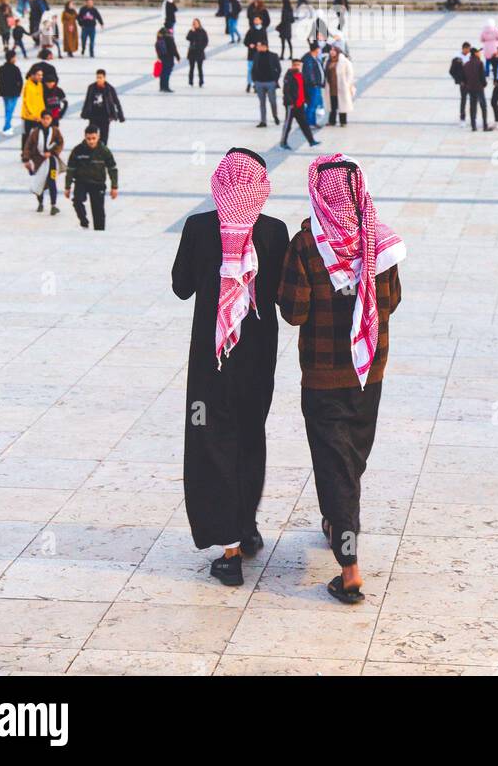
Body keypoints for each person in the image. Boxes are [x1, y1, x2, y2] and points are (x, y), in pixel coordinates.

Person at [279, 156, 404, 604]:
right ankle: (336, 521)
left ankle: (349, 566)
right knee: (351, 456)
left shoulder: (306, 244)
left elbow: (293, 313)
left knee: (334, 462)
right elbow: (390, 302)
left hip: (323, 374)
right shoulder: (378, 240)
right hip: (370, 370)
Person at [172, 148, 289, 586]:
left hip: (211, 360)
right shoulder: (274, 232)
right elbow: (282, 294)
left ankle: (230, 548)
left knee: (211, 443)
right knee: (249, 436)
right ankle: (248, 525)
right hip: (258, 360)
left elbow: (181, 287)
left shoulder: (200, 228)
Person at [65, 124, 119, 231]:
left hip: (98, 183)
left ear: (98, 137)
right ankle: (84, 221)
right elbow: (71, 169)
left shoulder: (104, 151)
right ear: (85, 137)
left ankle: (99, 232)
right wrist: (67, 186)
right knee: (77, 201)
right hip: (81, 181)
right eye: (88, 139)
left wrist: (114, 186)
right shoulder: (78, 150)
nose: (91, 141)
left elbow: (112, 168)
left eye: (94, 138)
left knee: (98, 210)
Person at [23, 109, 64, 216]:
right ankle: (40, 203)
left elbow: (60, 142)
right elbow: (28, 146)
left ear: (51, 119)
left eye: (48, 119)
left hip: (52, 161)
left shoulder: (55, 131)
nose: (46, 121)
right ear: (40, 119)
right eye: (44, 119)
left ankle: (53, 205)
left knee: (52, 181)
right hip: (39, 161)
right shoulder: (35, 133)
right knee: (39, 182)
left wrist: (53, 152)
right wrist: (26, 159)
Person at [280, 58, 320, 150]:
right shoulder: (289, 75)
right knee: (288, 124)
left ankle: (311, 141)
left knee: (304, 124)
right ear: (292, 65)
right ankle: (283, 142)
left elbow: (303, 89)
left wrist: (307, 100)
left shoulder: (301, 75)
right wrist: (290, 103)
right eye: (296, 65)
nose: (298, 66)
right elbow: (286, 91)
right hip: (292, 105)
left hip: (300, 105)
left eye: (299, 65)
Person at [82, 69, 125, 142]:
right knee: (92, 135)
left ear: (104, 78)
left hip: (105, 116)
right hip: (94, 115)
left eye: (100, 77)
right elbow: (87, 101)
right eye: (97, 77)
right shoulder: (91, 88)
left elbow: (117, 102)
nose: (99, 79)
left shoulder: (110, 89)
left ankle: (102, 151)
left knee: (104, 137)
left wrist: (121, 115)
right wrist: (84, 112)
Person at [324, 44, 356, 128]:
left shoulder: (344, 61)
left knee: (342, 104)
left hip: (341, 86)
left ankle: (343, 121)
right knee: (332, 105)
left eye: (334, 50)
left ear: (337, 52)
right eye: (331, 50)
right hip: (331, 87)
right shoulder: (328, 61)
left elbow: (350, 73)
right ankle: (332, 121)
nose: (332, 52)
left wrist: (347, 83)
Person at [252, 41, 282, 127]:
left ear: (265, 47)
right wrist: (255, 81)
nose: (258, 48)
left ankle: (275, 115)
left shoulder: (273, 56)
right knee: (262, 103)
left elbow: (279, 69)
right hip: (259, 83)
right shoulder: (256, 55)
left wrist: (275, 80)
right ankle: (263, 121)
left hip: (270, 82)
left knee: (272, 101)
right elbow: (254, 69)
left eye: (260, 46)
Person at [462, 47, 491, 132]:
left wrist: (467, 85)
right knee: (483, 106)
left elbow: (464, 77)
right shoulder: (479, 63)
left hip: (470, 88)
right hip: (479, 88)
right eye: (478, 52)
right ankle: (485, 126)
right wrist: (484, 84)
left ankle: (473, 126)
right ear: (475, 53)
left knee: (473, 107)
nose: (480, 53)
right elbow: (482, 76)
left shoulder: (466, 64)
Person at [0, 50, 23, 135]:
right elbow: (20, 81)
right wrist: (19, 90)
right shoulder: (15, 69)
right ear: (12, 58)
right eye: (15, 57)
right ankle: (6, 127)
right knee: (10, 110)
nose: (15, 58)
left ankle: (7, 126)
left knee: (7, 109)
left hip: (4, 92)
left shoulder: (1, 68)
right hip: (13, 93)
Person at [20, 65, 45, 150]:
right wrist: (33, 114)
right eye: (38, 75)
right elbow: (27, 102)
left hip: (38, 116)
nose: (40, 77)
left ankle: (34, 151)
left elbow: (41, 100)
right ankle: (24, 153)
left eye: (41, 75)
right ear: (32, 75)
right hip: (27, 116)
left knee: (37, 135)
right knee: (26, 135)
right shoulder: (28, 86)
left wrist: (42, 113)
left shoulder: (40, 85)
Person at [302, 40, 326, 127]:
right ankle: (308, 123)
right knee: (311, 104)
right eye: (319, 48)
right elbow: (309, 73)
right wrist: (314, 83)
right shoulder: (309, 59)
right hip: (313, 86)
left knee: (314, 104)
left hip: (316, 85)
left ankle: (312, 122)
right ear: (316, 49)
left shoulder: (314, 58)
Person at [449, 41, 472, 121]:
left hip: (472, 82)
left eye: (469, 49)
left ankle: (473, 117)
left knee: (473, 100)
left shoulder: (471, 56)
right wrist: (459, 81)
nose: (468, 51)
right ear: (464, 49)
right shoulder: (457, 58)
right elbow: (451, 71)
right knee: (463, 100)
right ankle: (462, 117)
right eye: (467, 49)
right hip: (463, 83)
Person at [244, 16, 267, 92]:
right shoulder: (251, 30)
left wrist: (262, 45)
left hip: (260, 54)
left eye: (257, 20)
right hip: (251, 54)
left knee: (258, 70)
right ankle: (249, 83)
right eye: (255, 20)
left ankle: (256, 85)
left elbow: (266, 42)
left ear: (261, 21)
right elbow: (245, 41)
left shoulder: (263, 30)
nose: (256, 21)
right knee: (250, 69)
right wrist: (250, 44)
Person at [156, 26, 180, 92]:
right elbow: (173, 49)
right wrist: (177, 57)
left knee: (163, 72)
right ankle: (166, 87)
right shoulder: (169, 38)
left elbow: (157, 48)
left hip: (162, 58)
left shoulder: (159, 38)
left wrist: (159, 57)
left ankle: (162, 87)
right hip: (169, 58)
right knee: (167, 73)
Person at [186, 18, 209, 87]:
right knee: (191, 68)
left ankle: (201, 82)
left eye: (196, 23)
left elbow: (206, 41)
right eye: (193, 23)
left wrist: (202, 48)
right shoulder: (191, 31)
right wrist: (192, 32)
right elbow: (188, 38)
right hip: (192, 52)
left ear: (199, 23)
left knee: (200, 68)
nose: (195, 24)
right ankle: (191, 81)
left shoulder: (203, 31)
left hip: (199, 52)